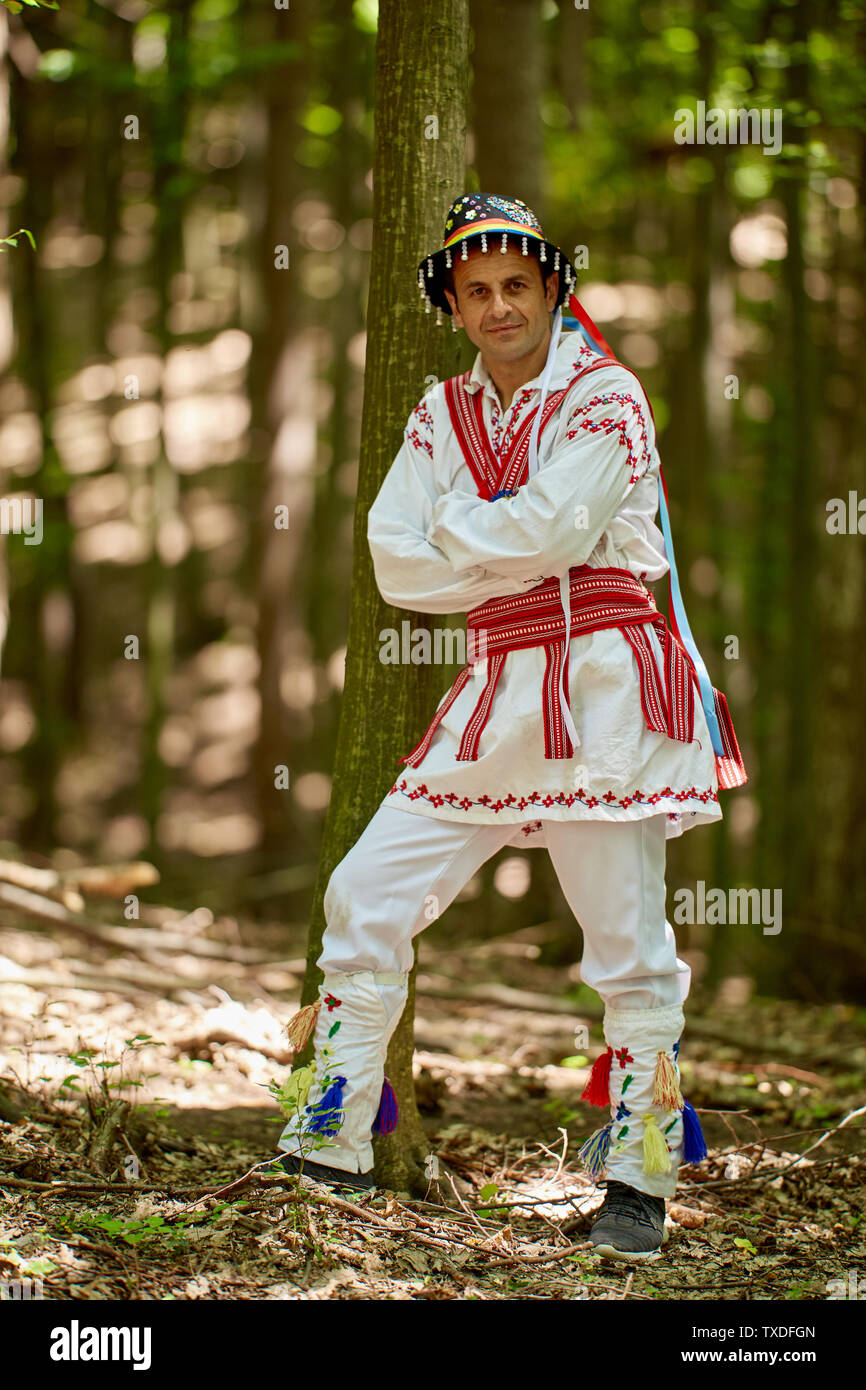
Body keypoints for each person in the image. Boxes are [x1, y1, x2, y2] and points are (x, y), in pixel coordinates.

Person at [271, 193, 747, 1262]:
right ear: (452, 305)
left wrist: (464, 534)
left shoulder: (607, 396)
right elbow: (395, 562)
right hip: (495, 686)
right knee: (364, 890)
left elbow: (559, 526)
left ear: (550, 289)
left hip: (607, 685)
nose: (496, 307)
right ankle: (332, 1139)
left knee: (624, 943)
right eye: (474, 291)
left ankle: (639, 1180)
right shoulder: (438, 414)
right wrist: (493, 543)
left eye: (514, 286)